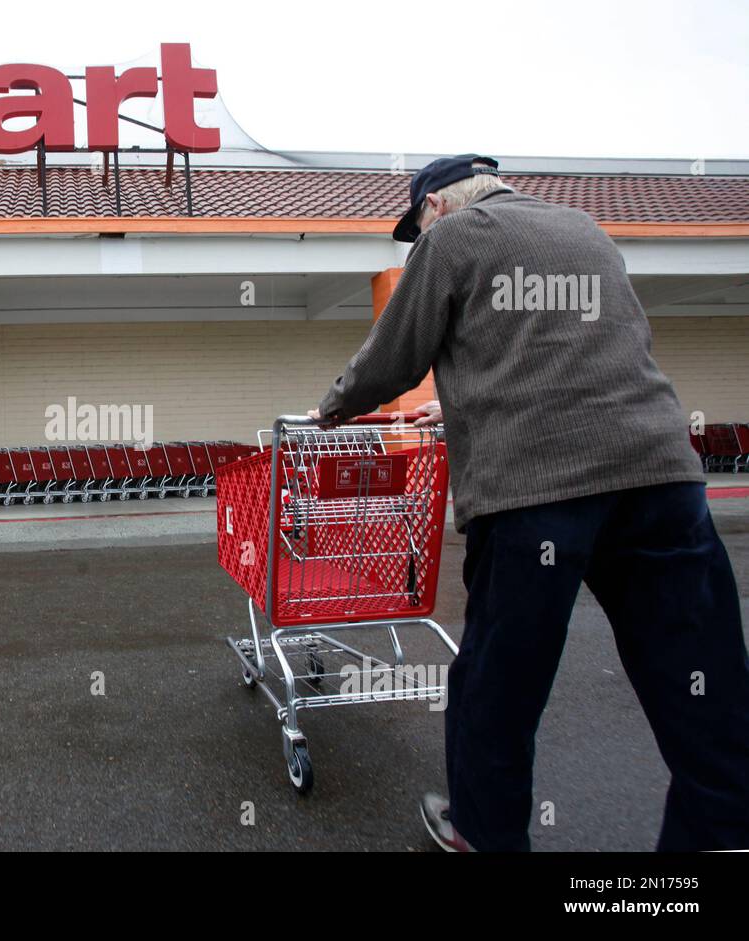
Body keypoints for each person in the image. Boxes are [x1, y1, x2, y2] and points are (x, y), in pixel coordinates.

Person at [310, 154, 749, 852]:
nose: (418, 236)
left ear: (436, 207)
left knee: (501, 681)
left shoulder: (451, 239)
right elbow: (576, 362)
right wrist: (455, 415)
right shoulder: (587, 232)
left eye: (416, 224)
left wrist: (331, 407)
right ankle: (722, 828)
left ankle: (484, 831)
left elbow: (395, 355)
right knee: (699, 672)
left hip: (536, 494)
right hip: (662, 479)